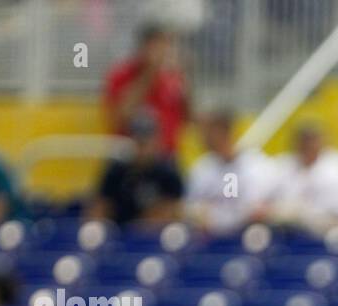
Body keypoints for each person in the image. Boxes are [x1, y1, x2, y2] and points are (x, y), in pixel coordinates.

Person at [183, 110, 278, 235]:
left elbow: (268, 207)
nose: (203, 137)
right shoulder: (201, 168)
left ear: (224, 131)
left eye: (208, 131)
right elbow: (191, 207)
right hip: (211, 240)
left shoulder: (257, 165)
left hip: (249, 236)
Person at [103, 21, 190, 157]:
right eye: (158, 45)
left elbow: (187, 118)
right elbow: (121, 116)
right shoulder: (121, 74)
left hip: (166, 155)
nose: (163, 52)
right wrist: (150, 72)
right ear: (143, 47)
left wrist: (186, 79)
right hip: (130, 153)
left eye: (166, 46)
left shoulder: (172, 77)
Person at [266, 122, 338, 233]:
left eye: (311, 140)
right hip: (287, 229)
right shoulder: (284, 164)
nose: (307, 145)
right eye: (303, 141)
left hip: (329, 229)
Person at [89, 110, 183, 227]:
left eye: (147, 140)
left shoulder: (168, 173)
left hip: (155, 238)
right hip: (119, 236)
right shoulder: (116, 171)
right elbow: (99, 209)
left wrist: (139, 228)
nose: (143, 147)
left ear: (157, 140)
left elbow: (170, 212)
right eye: (139, 140)